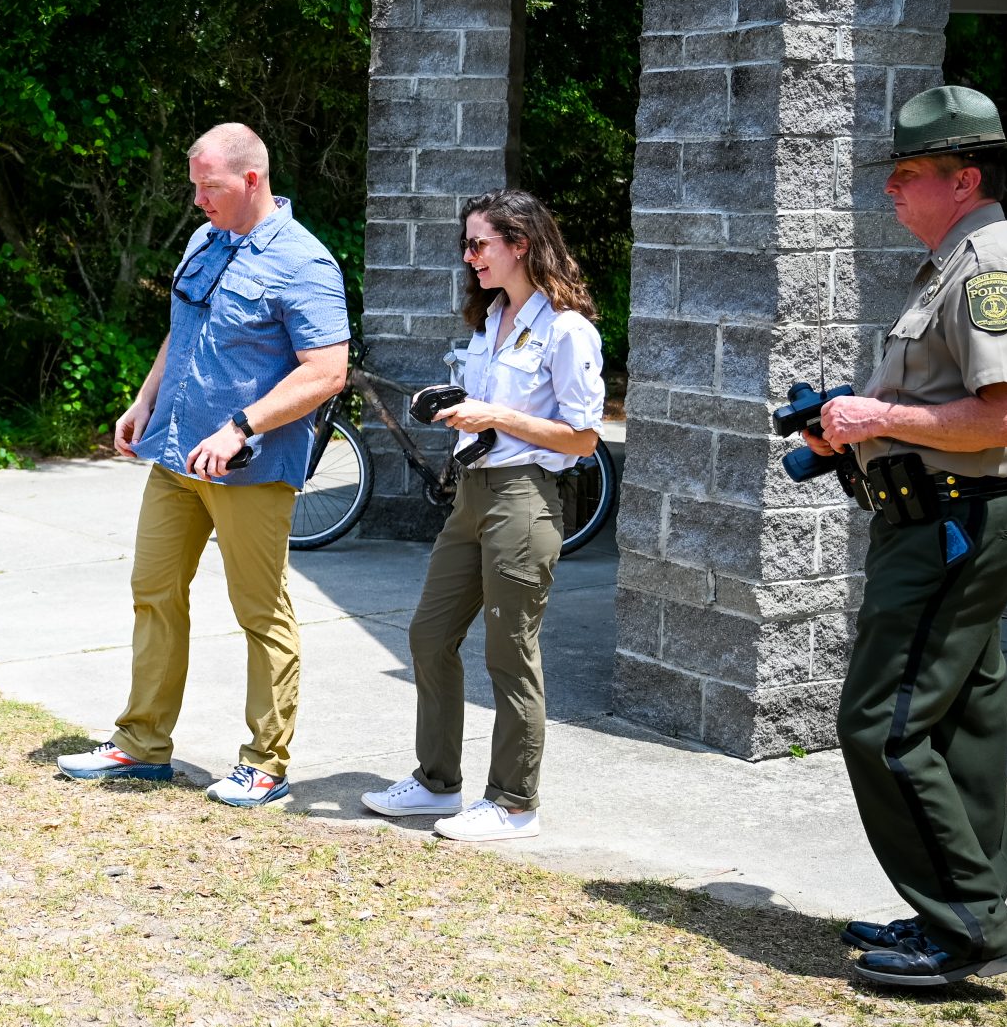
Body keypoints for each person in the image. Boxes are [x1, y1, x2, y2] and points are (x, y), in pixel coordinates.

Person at [810, 84, 1007, 990]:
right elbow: (940, 411)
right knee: (960, 724)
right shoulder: (959, 263)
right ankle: (961, 907)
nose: (892, 189)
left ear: (963, 179)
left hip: (955, 523)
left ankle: (964, 929)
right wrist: (860, 431)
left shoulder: (990, 267)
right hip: (945, 516)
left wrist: (876, 412)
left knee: (881, 722)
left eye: (908, 173)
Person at [57, 123, 348, 807]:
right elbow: (183, 329)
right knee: (153, 590)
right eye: (194, 183)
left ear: (251, 180)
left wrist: (242, 426)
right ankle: (142, 744)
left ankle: (264, 764)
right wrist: (144, 398)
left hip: (249, 467)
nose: (197, 199)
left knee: (259, 611)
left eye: (208, 184)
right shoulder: (206, 242)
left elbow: (328, 370)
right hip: (175, 454)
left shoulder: (304, 263)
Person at [360, 190, 604, 843]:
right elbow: (484, 403)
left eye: (479, 245)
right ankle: (438, 783)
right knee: (429, 635)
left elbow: (583, 437)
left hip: (523, 501)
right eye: (465, 246)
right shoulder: (489, 318)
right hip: (471, 496)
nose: (468, 258)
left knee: (509, 655)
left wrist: (495, 416)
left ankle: (514, 802)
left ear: (520, 244)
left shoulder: (566, 328)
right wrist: (458, 407)